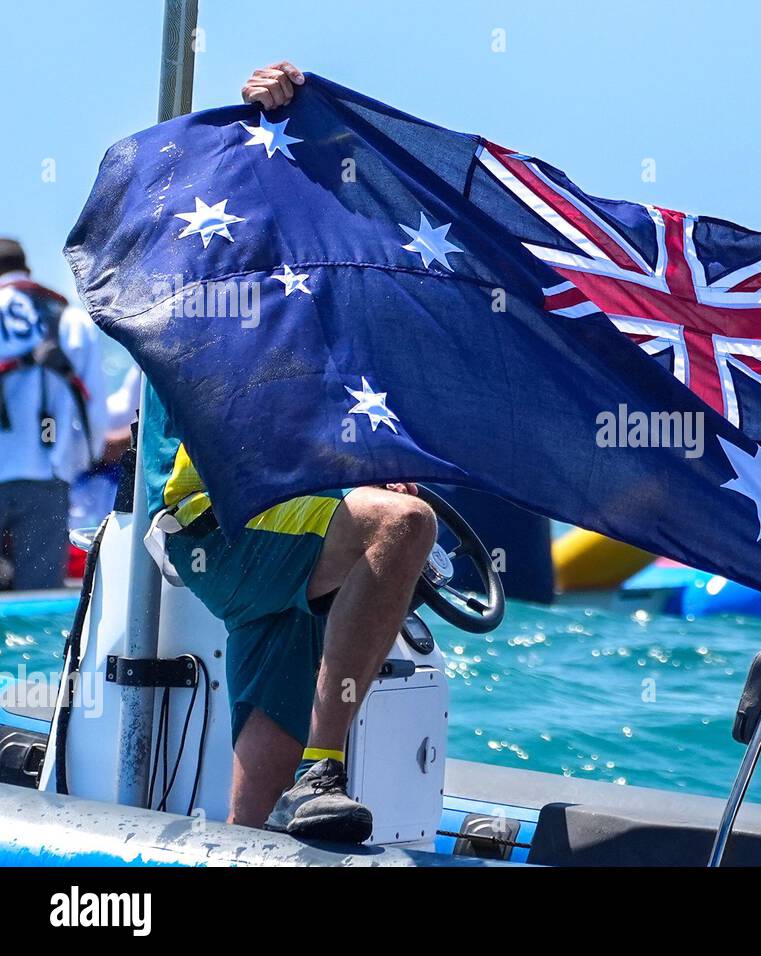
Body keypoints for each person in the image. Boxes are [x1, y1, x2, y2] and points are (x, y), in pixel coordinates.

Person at [136, 61, 438, 842]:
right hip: (215, 521)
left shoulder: (333, 289)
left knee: (258, 797)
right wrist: (266, 113)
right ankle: (325, 769)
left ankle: (274, 809)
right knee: (399, 528)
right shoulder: (215, 273)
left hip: (291, 518)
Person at [0, 239, 107, 589]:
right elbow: (93, 413)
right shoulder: (71, 320)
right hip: (45, 481)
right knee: (37, 604)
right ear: (26, 270)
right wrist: (79, 465)